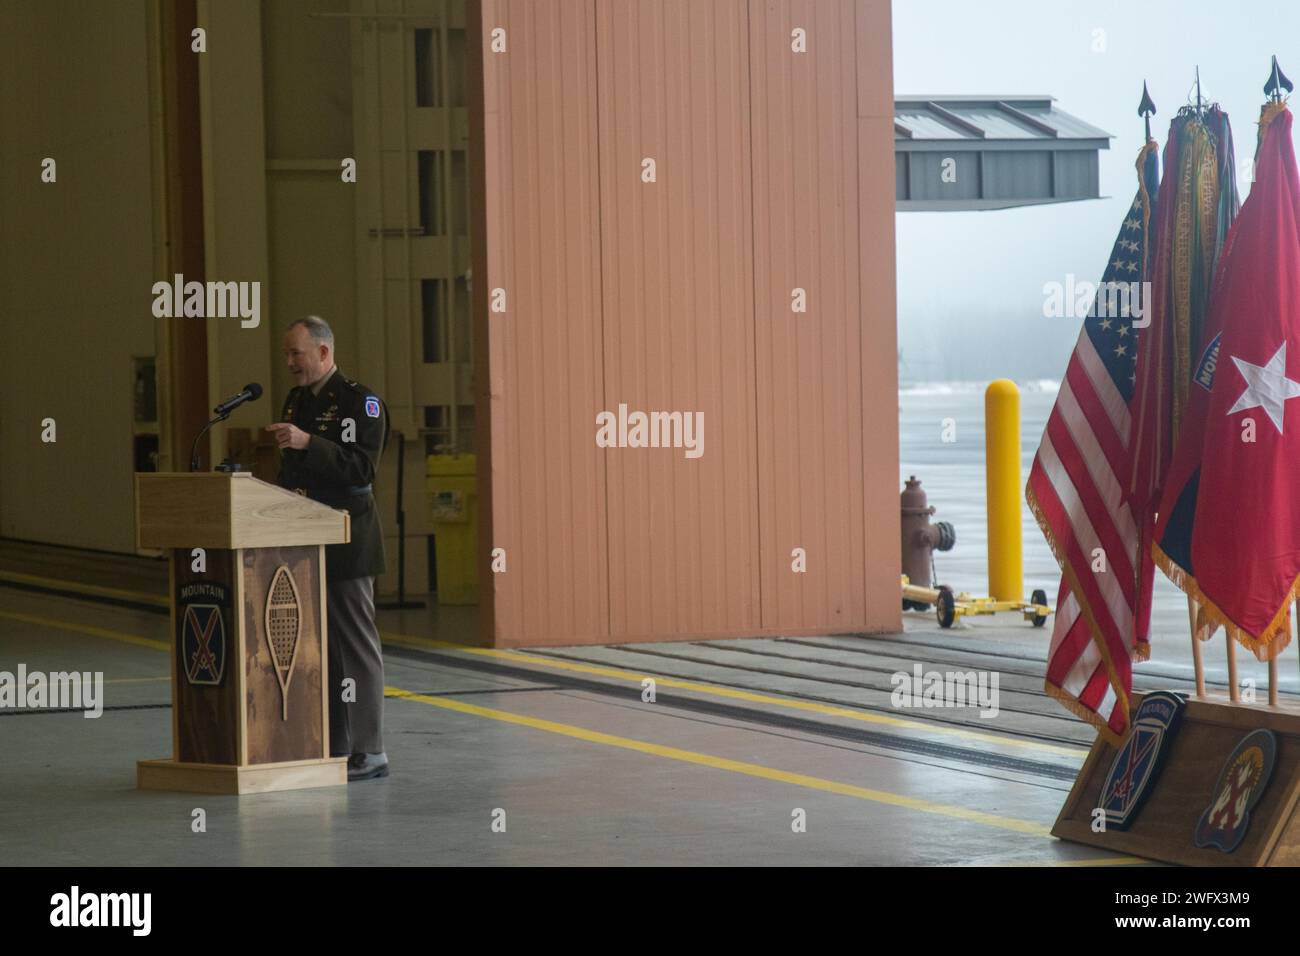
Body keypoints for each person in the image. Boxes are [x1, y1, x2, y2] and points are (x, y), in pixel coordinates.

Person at [265, 316, 390, 781]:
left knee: (356, 645)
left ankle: (370, 750)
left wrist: (308, 442)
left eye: (296, 353)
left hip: (348, 540)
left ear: (323, 352)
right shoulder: (298, 400)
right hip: (304, 540)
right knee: (324, 649)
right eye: (286, 354)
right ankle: (335, 744)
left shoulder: (362, 403)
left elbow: (361, 469)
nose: (290, 363)